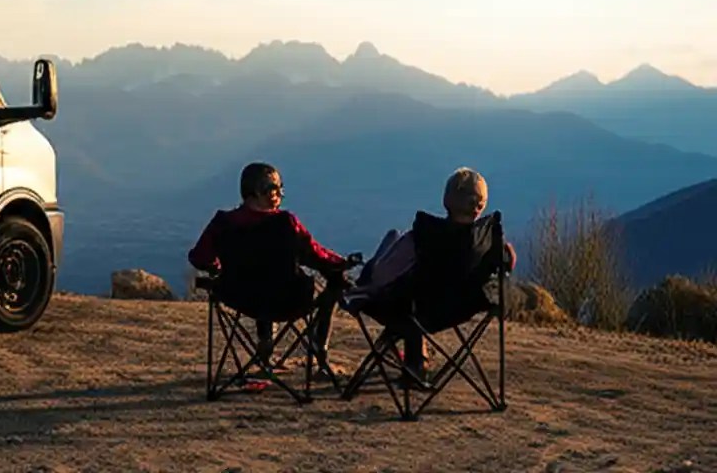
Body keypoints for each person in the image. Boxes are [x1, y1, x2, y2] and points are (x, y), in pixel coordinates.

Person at [347, 167, 516, 383]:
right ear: (481, 205)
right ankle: (417, 362)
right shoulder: (487, 238)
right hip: (460, 306)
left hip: (416, 312)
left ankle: (414, 362)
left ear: (447, 200)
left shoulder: (427, 234)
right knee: (414, 293)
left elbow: (391, 274)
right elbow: (506, 263)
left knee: (394, 243)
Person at [188, 162, 358, 372]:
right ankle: (318, 351)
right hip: (288, 299)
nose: (281, 194)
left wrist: (218, 268)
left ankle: (265, 344)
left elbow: (199, 258)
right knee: (331, 285)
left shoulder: (222, 223)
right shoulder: (285, 224)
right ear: (259, 192)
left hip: (238, 296)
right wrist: (343, 263)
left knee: (261, 279)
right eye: (276, 188)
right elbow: (316, 255)